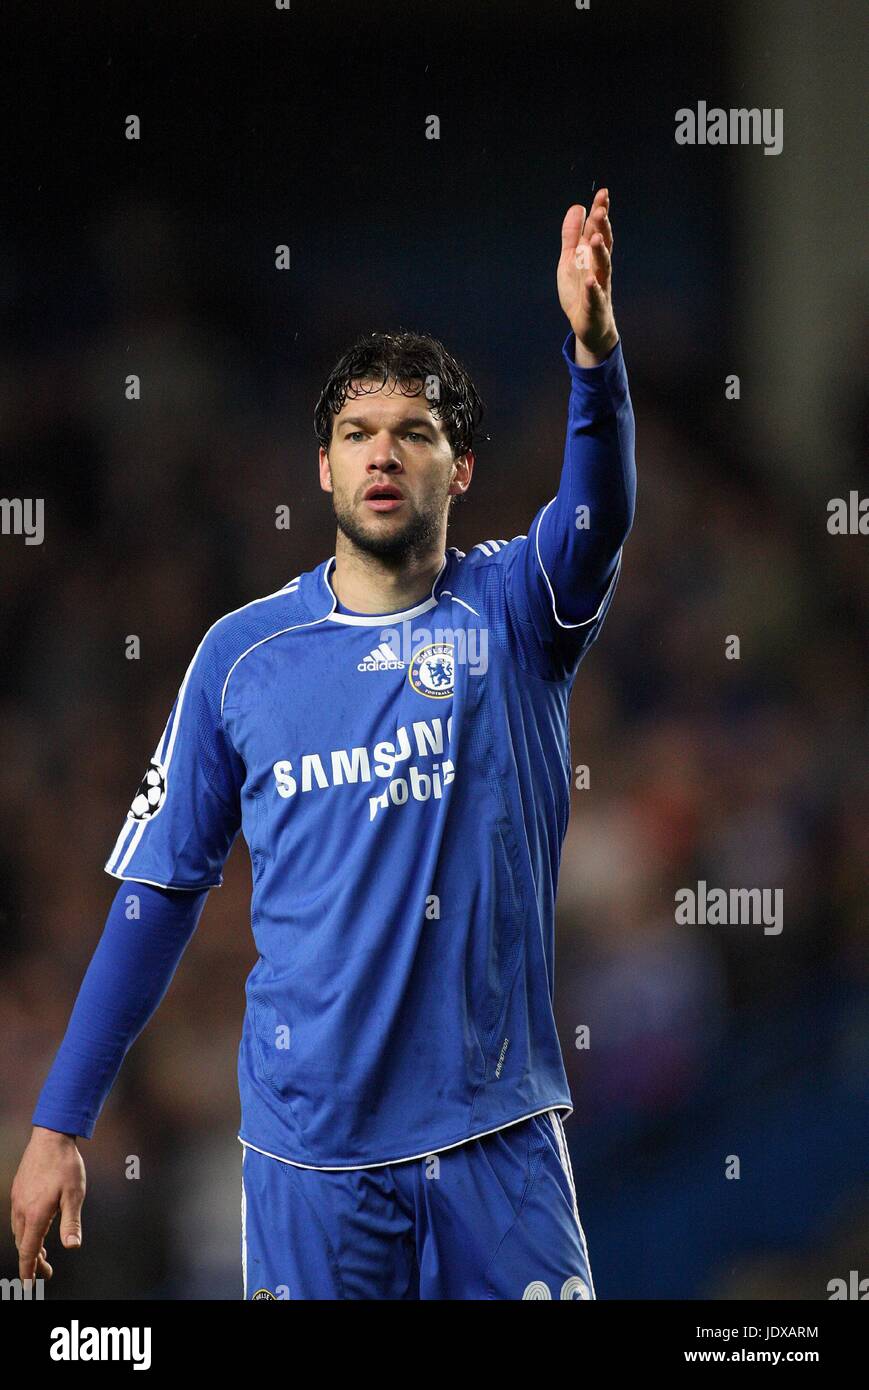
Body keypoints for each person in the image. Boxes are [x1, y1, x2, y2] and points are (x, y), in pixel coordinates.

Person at [12, 188, 636, 1299]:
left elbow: (599, 516)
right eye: (355, 434)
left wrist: (592, 362)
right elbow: (156, 895)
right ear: (322, 468)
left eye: (414, 433)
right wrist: (61, 1118)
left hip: (494, 1141)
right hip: (312, 1167)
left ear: (463, 468)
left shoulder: (513, 611)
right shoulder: (240, 660)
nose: (381, 455)